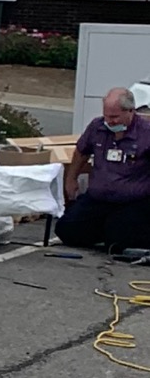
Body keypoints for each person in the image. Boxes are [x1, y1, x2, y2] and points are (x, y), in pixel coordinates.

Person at [57, 87, 150, 256]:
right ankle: (106, 230)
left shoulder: (146, 133)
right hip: (98, 199)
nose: (110, 121)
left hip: (132, 200)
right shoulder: (97, 127)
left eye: (114, 117)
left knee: (118, 240)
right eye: (107, 116)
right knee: (66, 230)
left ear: (130, 111)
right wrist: (71, 178)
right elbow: (81, 152)